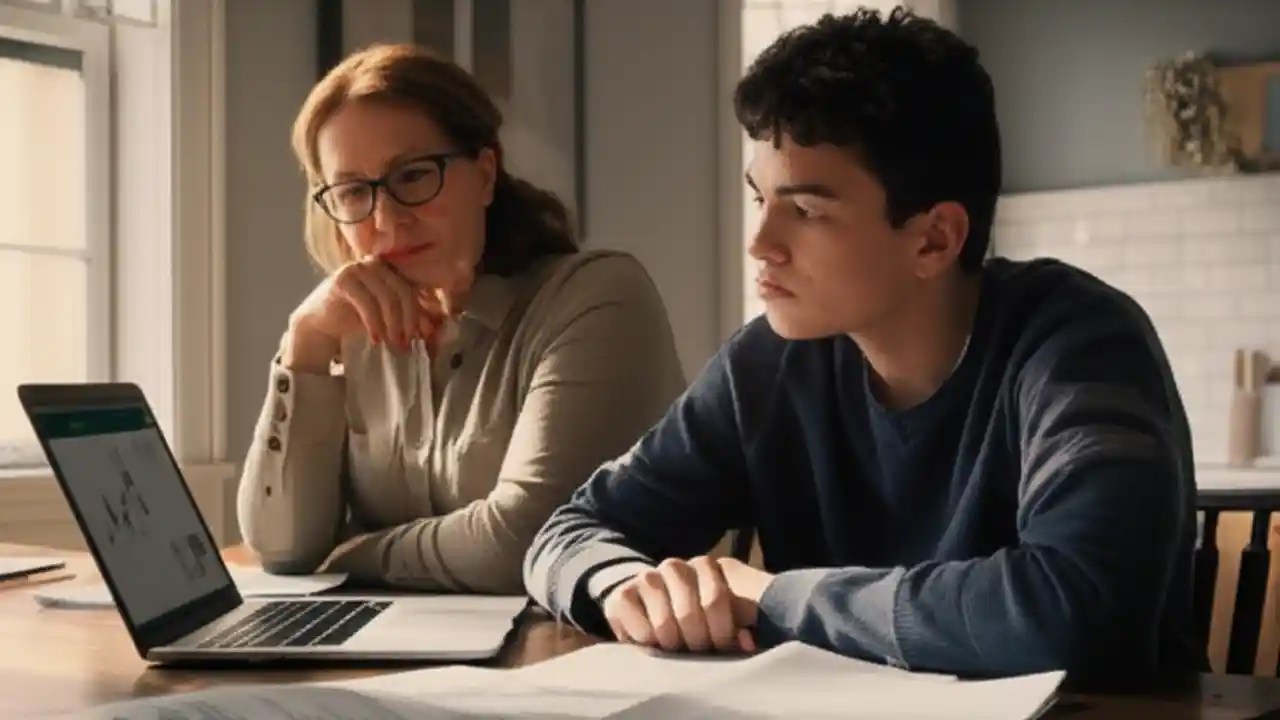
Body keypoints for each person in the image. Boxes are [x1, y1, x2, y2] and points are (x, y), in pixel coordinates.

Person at [524, 7, 1201, 681]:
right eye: (760, 200)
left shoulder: (1081, 344)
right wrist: (624, 586)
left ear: (934, 239)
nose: (760, 244)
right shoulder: (763, 365)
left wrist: (776, 599)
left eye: (806, 211)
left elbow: (1076, 611)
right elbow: (567, 533)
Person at [237, 43, 685, 594]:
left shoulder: (597, 298)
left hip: (584, 637)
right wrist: (304, 344)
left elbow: (526, 541)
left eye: (413, 176)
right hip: (413, 641)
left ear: (486, 175)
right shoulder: (348, 328)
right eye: (353, 192)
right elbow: (281, 547)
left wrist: (351, 554)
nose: (387, 219)